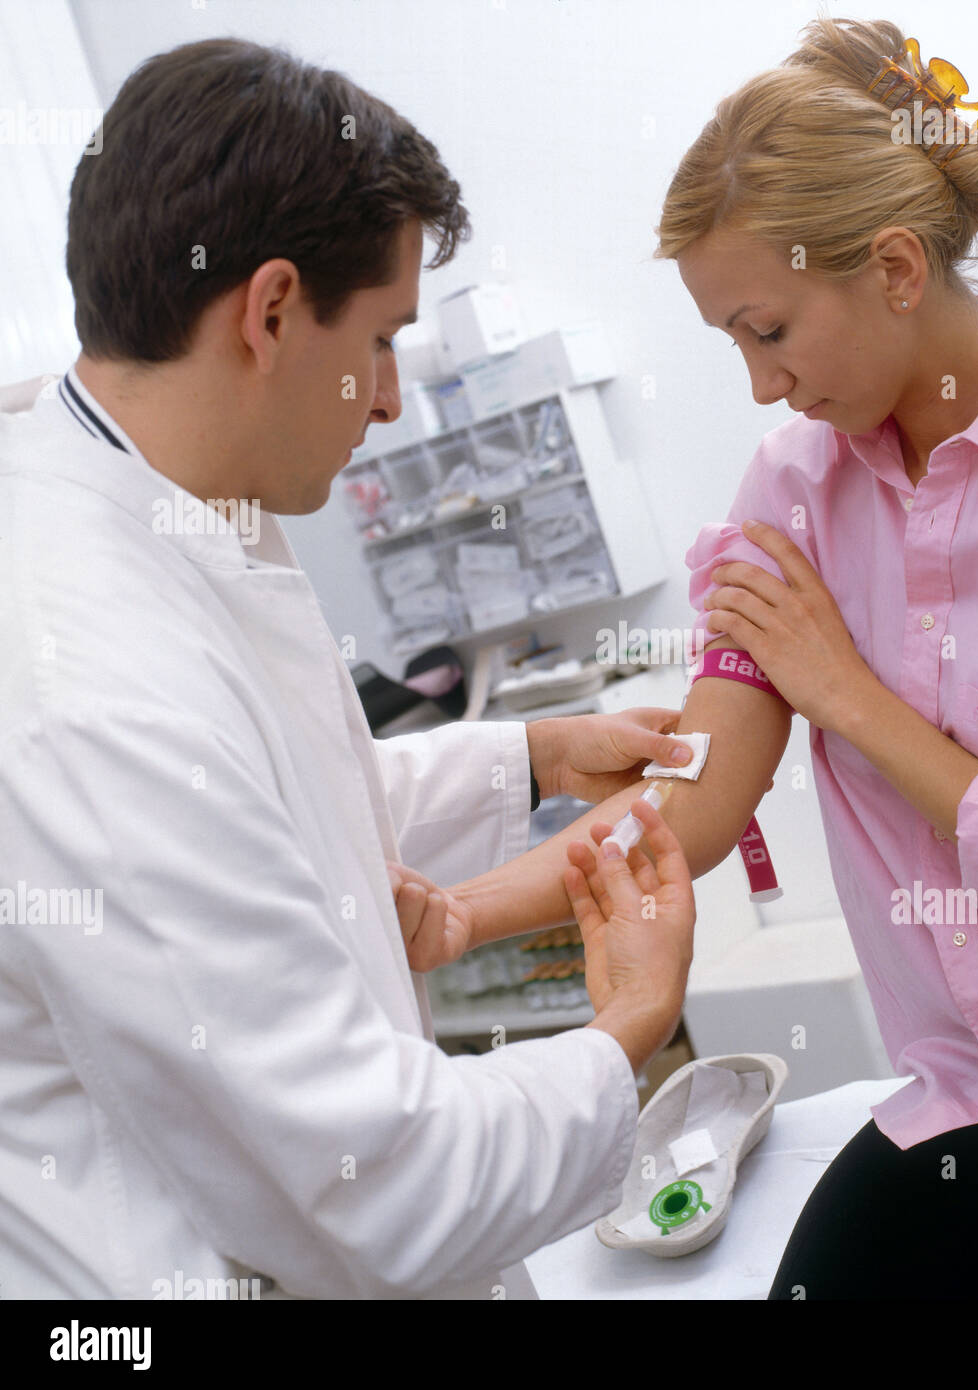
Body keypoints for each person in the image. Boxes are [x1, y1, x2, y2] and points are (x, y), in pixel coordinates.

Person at [439, 16, 978, 1299]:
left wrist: (844, 693)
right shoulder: (790, 490)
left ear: (896, 267)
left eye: (769, 329)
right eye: (730, 340)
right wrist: (458, 914)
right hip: (967, 1086)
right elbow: (699, 795)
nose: (757, 385)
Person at [0, 36, 703, 1300]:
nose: (386, 401)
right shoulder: (83, 678)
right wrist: (624, 1030)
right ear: (270, 311)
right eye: (380, 340)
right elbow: (369, 1187)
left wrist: (528, 755)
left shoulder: (169, 494)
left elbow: (265, 805)